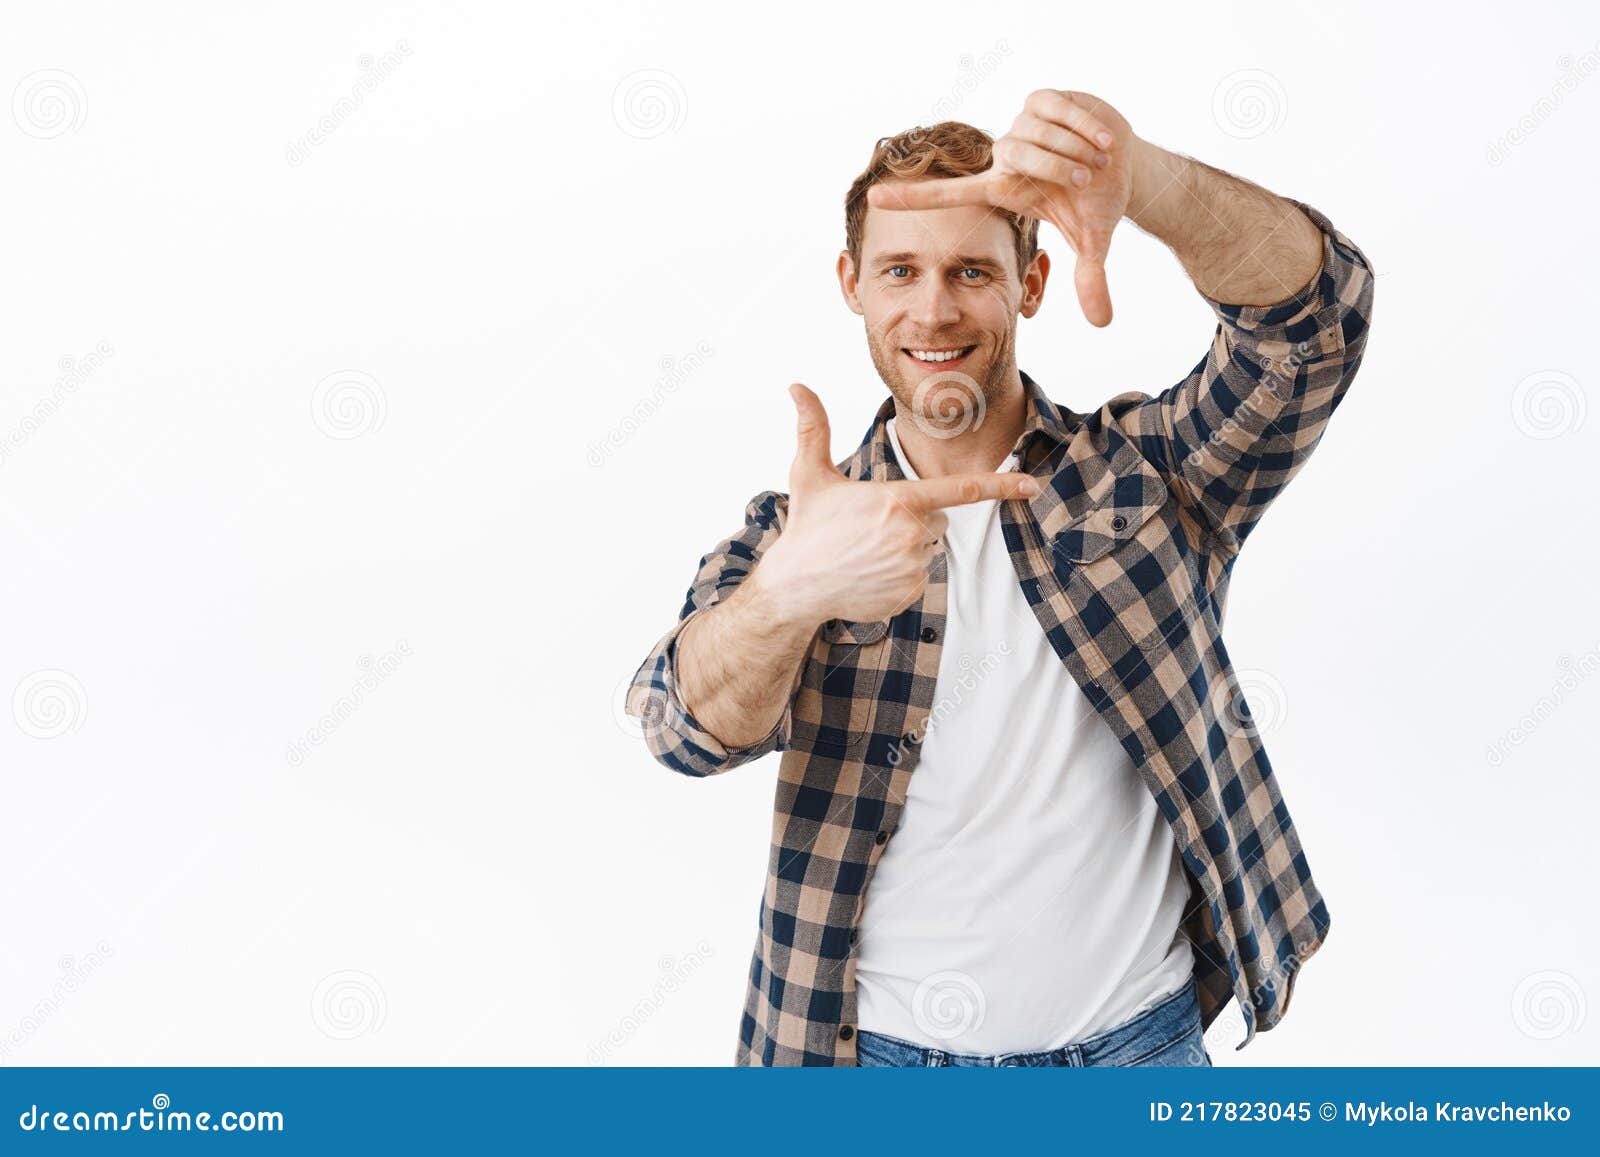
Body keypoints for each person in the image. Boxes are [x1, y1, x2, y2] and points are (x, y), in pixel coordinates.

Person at [626, 88, 1374, 1067]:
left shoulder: (1148, 478)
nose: (932, 308)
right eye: (901, 269)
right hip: (872, 1068)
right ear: (852, 281)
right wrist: (790, 591)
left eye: (970, 270)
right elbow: (679, 728)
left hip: (1136, 1057)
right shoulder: (797, 529)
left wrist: (1144, 178)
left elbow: (1315, 324)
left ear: (1030, 282)